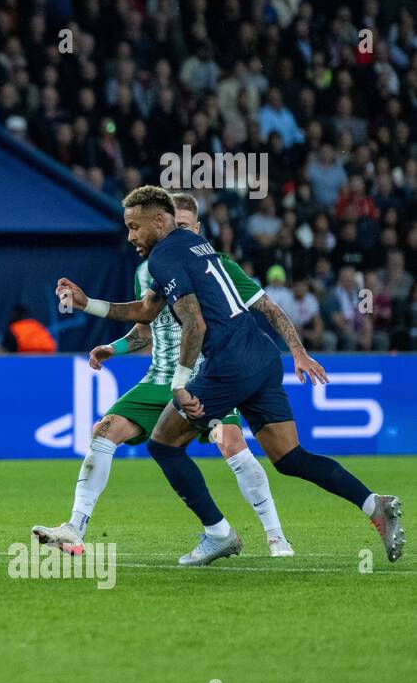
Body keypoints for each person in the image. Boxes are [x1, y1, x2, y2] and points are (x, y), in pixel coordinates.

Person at [57, 186, 402, 566]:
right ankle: (374, 504)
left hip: (227, 364)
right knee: (289, 457)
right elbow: (147, 310)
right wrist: (88, 304)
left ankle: (219, 534)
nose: (131, 237)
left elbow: (196, 323)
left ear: (159, 221)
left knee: (163, 445)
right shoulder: (197, 247)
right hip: (262, 357)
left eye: (135, 227)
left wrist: (179, 385)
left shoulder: (164, 256)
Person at [33, 193, 293, 558]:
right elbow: (144, 325)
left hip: (207, 375)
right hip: (161, 378)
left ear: (194, 229)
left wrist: (297, 350)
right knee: (104, 431)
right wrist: (115, 347)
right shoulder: (149, 268)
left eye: (185, 227)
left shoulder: (218, 267)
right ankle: (75, 527)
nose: (178, 234)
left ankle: (276, 536)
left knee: (231, 443)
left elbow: (256, 309)